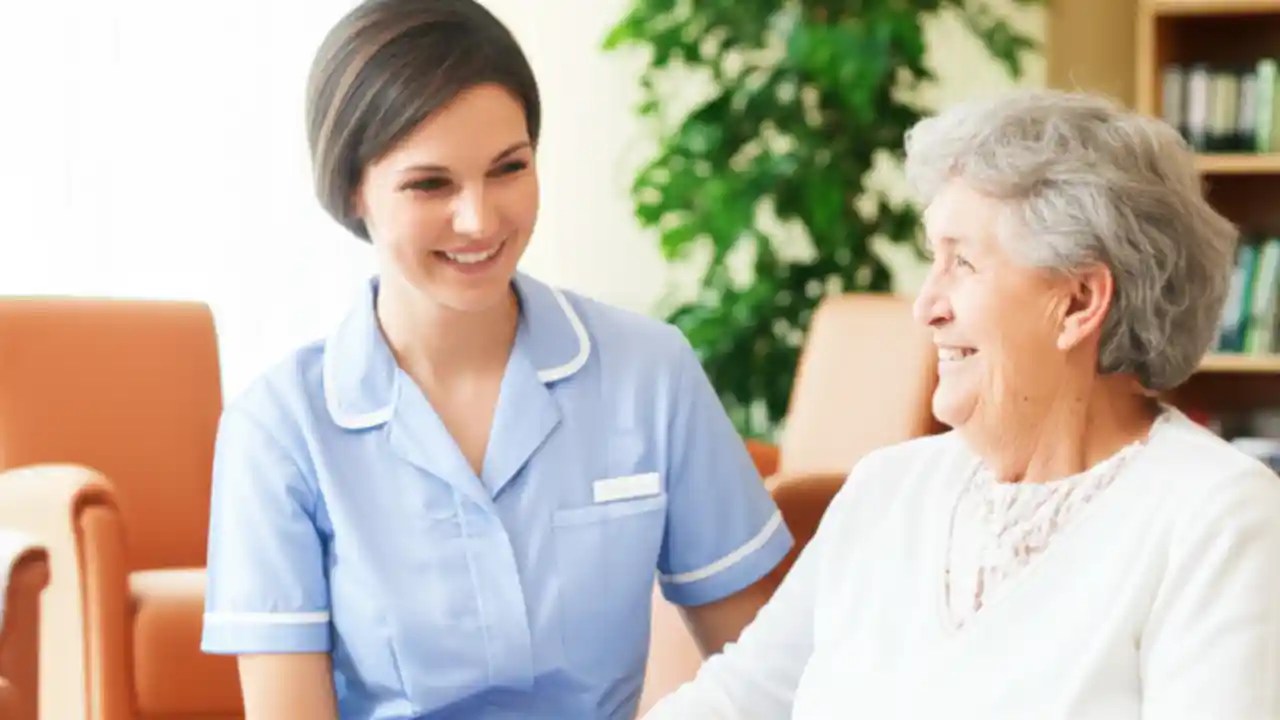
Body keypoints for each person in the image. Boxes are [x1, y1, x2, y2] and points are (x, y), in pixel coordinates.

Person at [199, 1, 794, 717]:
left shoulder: (650, 372)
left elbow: (771, 675)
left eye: (508, 169)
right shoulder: (280, 429)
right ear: (355, 187)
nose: (479, 220)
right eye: (431, 184)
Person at [644, 89, 1280, 719]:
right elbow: (735, 701)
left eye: (963, 264)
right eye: (933, 260)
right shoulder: (887, 488)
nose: (926, 306)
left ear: (1081, 302)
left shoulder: (1216, 517)